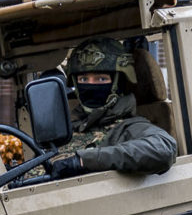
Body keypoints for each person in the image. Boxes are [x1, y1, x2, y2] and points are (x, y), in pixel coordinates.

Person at [45, 37, 178, 178]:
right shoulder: (69, 129)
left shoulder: (129, 127)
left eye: (101, 79)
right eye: (83, 79)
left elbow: (163, 148)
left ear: (118, 83)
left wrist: (84, 161)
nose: (91, 86)